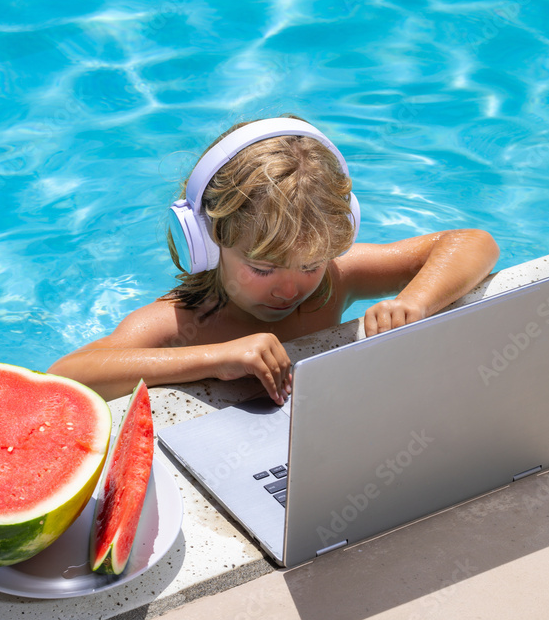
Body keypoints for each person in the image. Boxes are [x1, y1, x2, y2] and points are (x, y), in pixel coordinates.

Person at [49, 116, 499, 404]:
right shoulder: (182, 322)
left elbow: (474, 242)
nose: (290, 289)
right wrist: (213, 357)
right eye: (263, 268)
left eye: (309, 265)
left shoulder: (336, 281)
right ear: (207, 241)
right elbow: (68, 376)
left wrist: (414, 302)